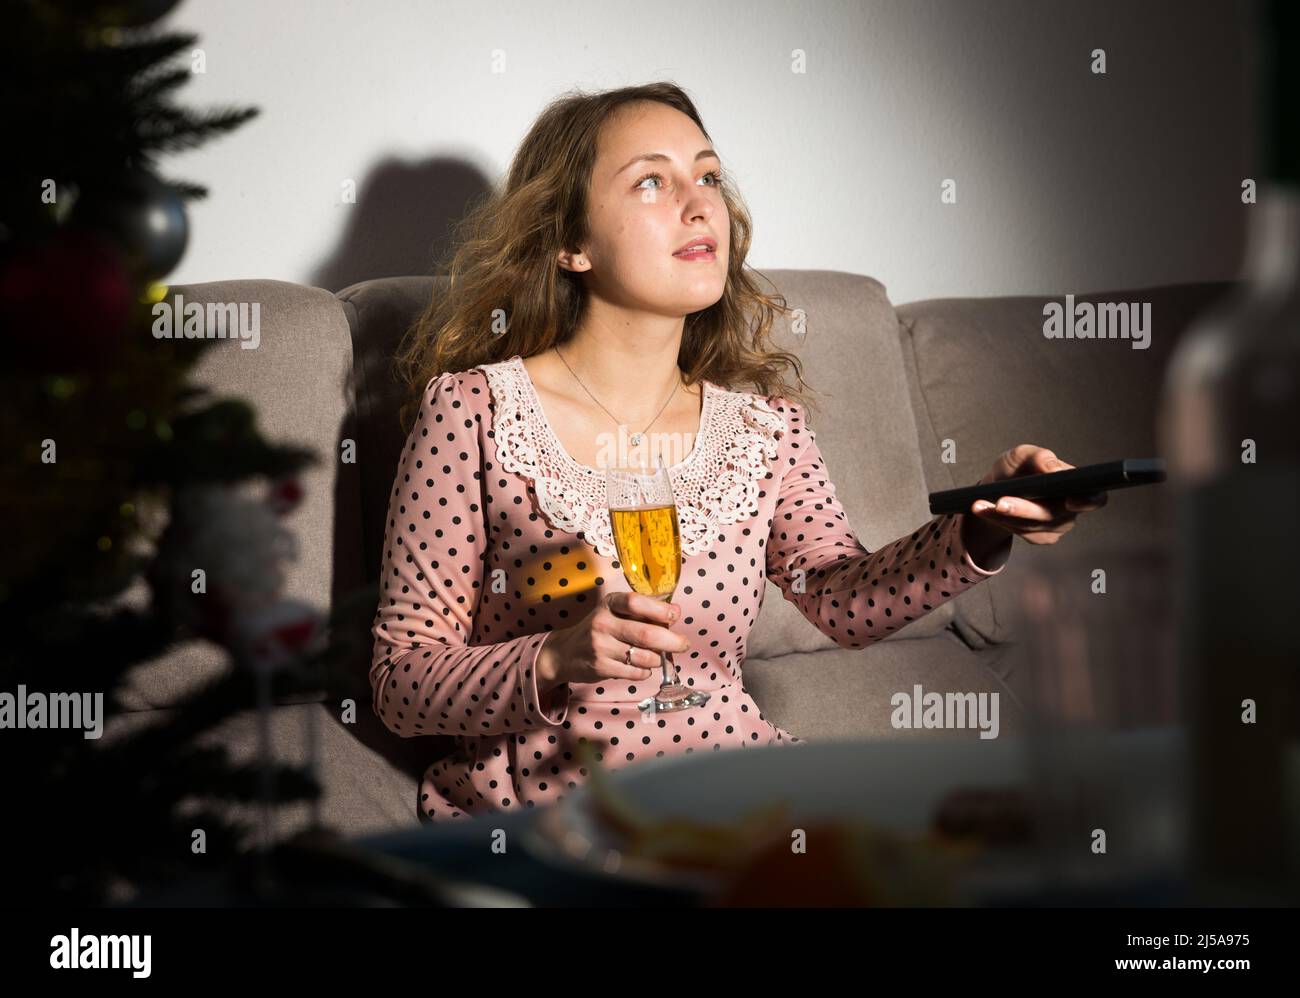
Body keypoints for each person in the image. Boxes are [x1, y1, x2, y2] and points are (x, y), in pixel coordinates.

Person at [370, 83, 1107, 822]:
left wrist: (981, 524)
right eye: (653, 181)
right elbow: (402, 682)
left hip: (739, 806)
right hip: (551, 825)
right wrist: (552, 659)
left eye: (710, 177)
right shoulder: (475, 412)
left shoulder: (763, 430)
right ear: (571, 243)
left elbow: (841, 598)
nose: (700, 206)